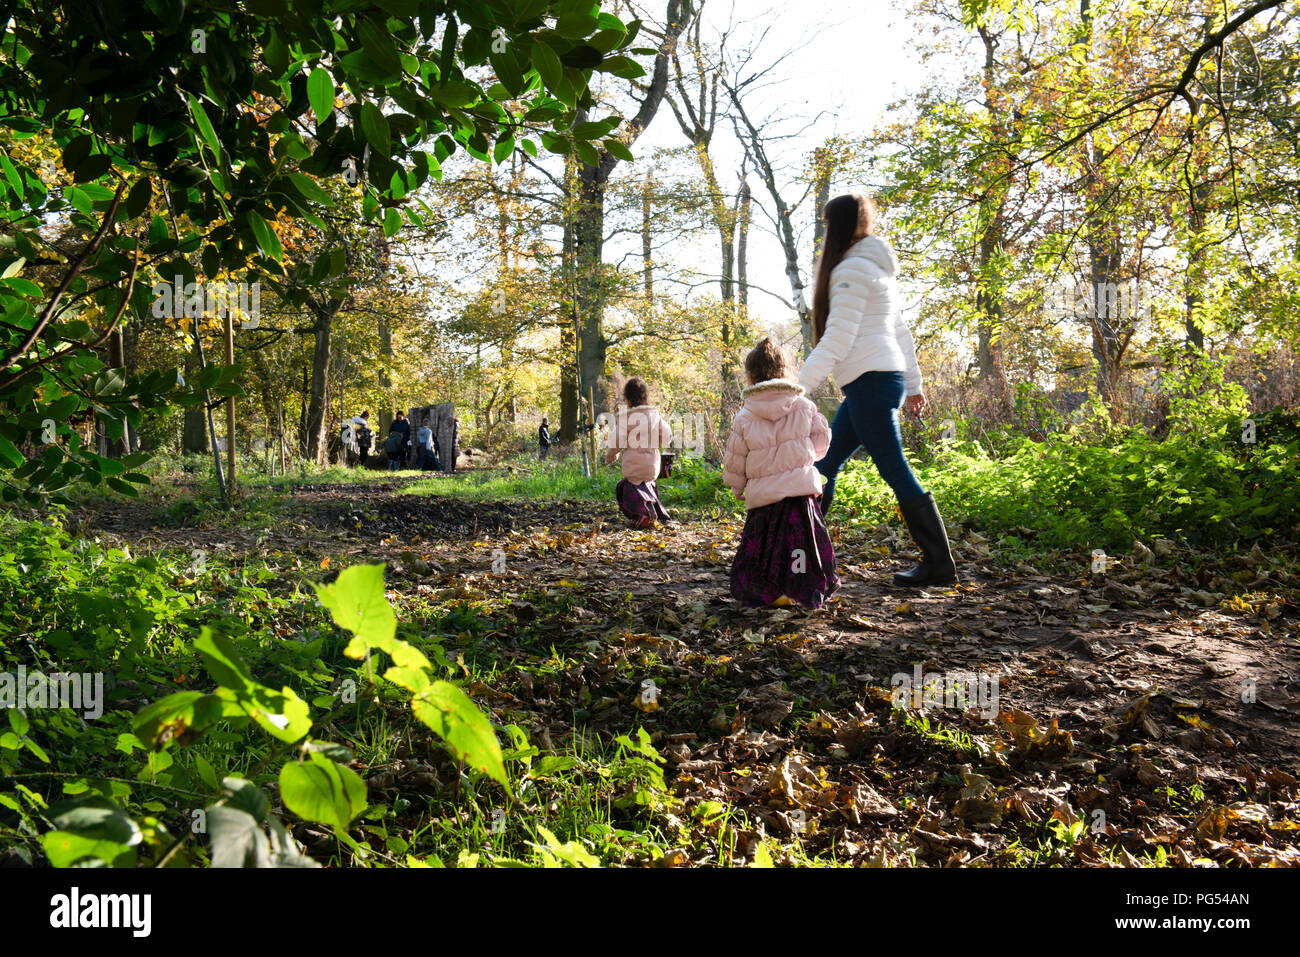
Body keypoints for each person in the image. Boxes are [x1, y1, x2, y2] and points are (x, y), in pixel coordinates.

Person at [798, 193, 957, 587]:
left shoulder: (850, 270)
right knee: (825, 464)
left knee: (893, 468)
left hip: (870, 381)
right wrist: (914, 386)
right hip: (876, 381)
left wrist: (795, 389)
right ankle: (801, 552)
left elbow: (836, 338)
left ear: (835, 227)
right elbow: (901, 333)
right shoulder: (876, 268)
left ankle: (939, 563)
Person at [723, 338, 839, 609]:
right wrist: (806, 453)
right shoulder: (804, 406)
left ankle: (770, 590)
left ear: (750, 376)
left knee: (765, 549)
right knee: (800, 547)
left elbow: (735, 459)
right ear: (786, 371)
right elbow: (822, 443)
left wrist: (737, 487)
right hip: (800, 497)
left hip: (765, 500)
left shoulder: (745, 416)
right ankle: (801, 586)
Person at [605, 377, 672, 528]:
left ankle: (640, 514)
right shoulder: (655, 416)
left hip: (633, 465)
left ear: (627, 399)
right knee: (649, 487)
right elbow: (667, 435)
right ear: (646, 397)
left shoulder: (625, 419)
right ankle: (656, 512)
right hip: (652, 465)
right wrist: (661, 441)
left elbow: (616, 442)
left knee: (625, 489)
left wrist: (611, 456)